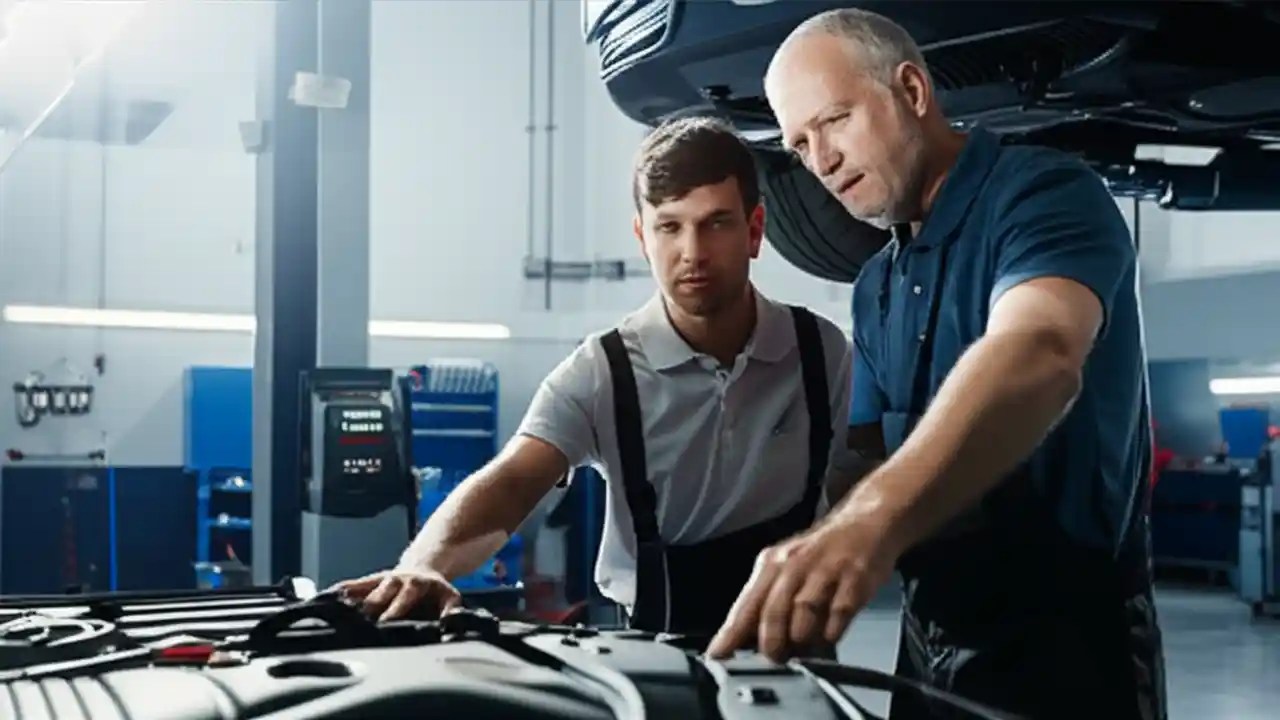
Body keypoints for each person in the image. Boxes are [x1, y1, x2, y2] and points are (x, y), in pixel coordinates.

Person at [706, 9, 1168, 720]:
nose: (821, 160)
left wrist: (869, 524)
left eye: (835, 121)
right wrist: (791, 562)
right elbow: (862, 458)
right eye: (800, 143)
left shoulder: (1044, 197)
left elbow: (1040, 351)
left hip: (1072, 643)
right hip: (930, 636)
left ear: (913, 91)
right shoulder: (876, 284)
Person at [335, 116, 858, 641]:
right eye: (669, 226)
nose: (693, 252)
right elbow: (515, 480)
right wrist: (424, 564)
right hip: (660, 654)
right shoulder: (603, 371)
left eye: (716, 223)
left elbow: (854, 479)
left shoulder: (821, 352)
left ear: (754, 229)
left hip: (797, 649)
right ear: (642, 237)